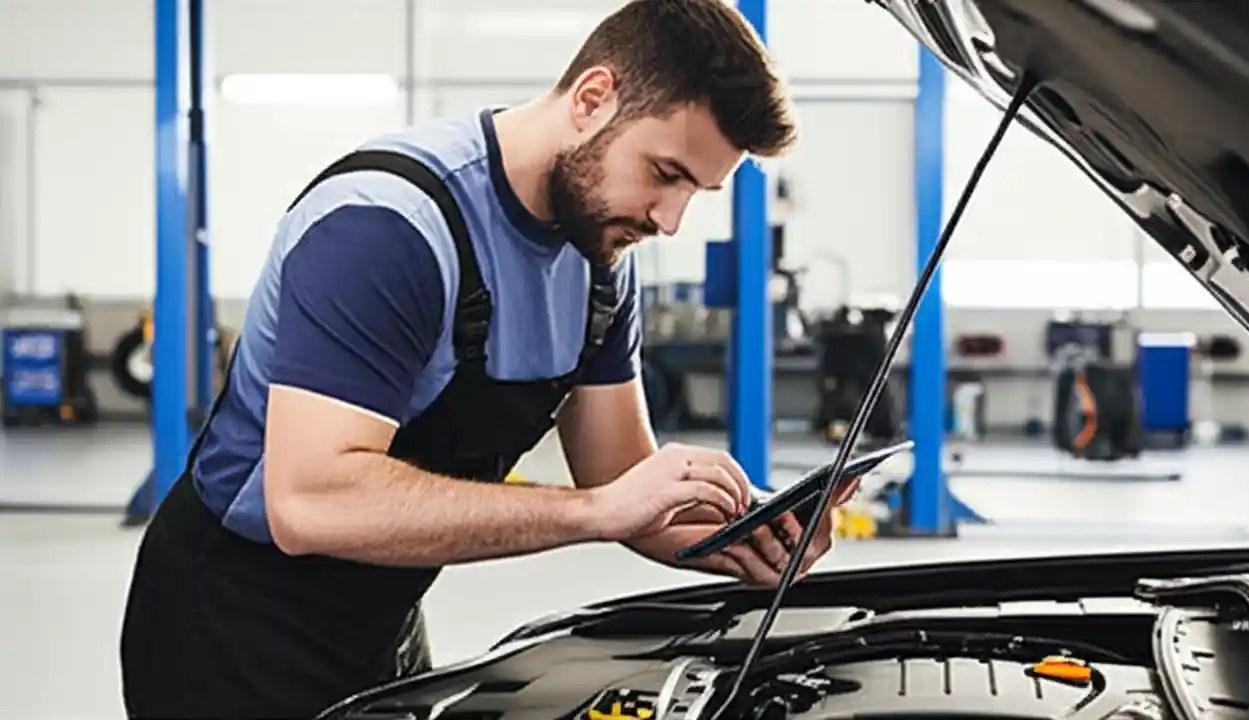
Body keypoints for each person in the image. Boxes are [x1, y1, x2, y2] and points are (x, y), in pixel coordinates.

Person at [119, 1, 855, 717]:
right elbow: (311, 501)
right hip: (233, 623)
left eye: (697, 190)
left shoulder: (599, 259)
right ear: (594, 97)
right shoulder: (387, 227)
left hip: (384, 612)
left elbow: (624, 484)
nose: (669, 220)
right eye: (664, 173)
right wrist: (595, 513)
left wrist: (750, 537)